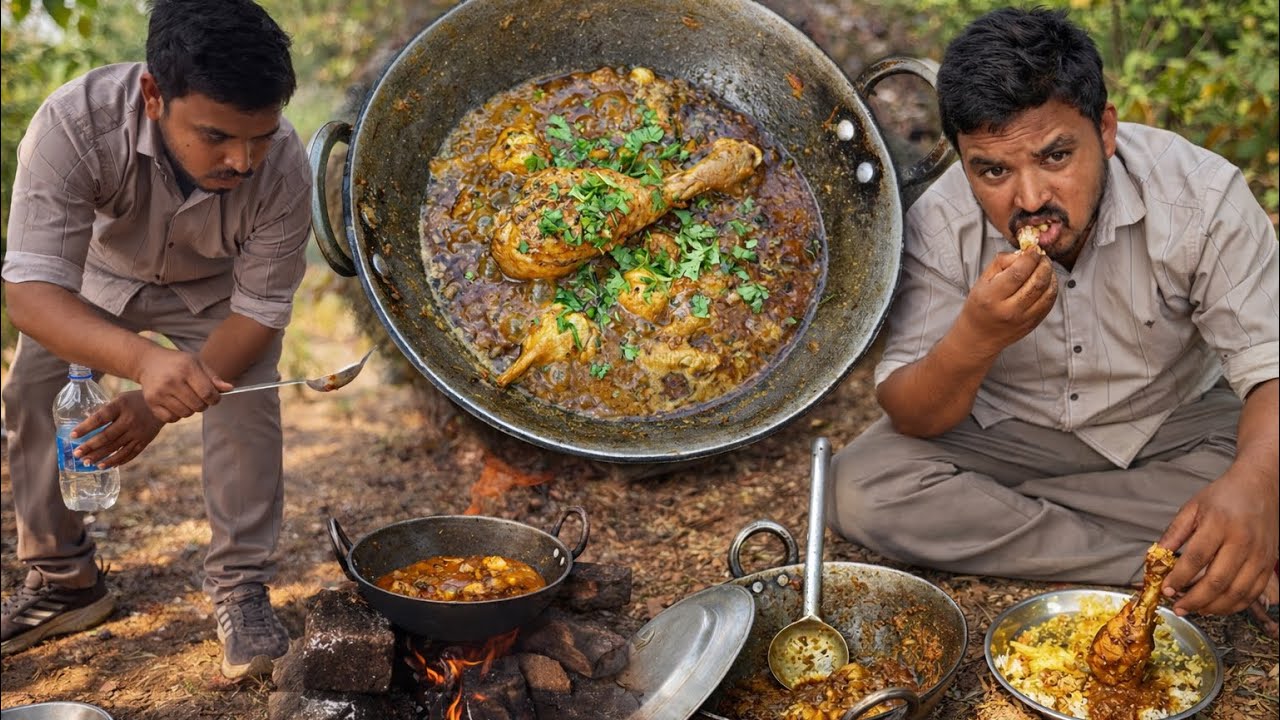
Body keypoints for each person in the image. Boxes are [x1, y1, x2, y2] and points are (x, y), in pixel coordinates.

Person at [826, 7, 1279, 639]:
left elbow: (1269, 371)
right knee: (861, 489)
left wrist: (1254, 483)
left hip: (1172, 424)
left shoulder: (1200, 197)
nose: (1031, 198)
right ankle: (1175, 560)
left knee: (1264, 464)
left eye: (1057, 155)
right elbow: (914, 415)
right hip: (1007, 434)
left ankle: (1197, 535)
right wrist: (976, 337)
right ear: (963, 160)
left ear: (1106, 130)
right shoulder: (940, 222)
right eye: (993, 170)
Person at [1, 0, 311, 677]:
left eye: (259, 137)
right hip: (91, 283)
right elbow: (29, 295)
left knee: (245, 398)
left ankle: (242, 588)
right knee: (33, 390)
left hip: (214, 295)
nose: (243, 161)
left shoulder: (285, 168)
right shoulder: (73, 125)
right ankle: (63, 579)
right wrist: (142, 362)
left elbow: (259, 314)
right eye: (217, 136)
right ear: (152, 95)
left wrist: (154, 405)